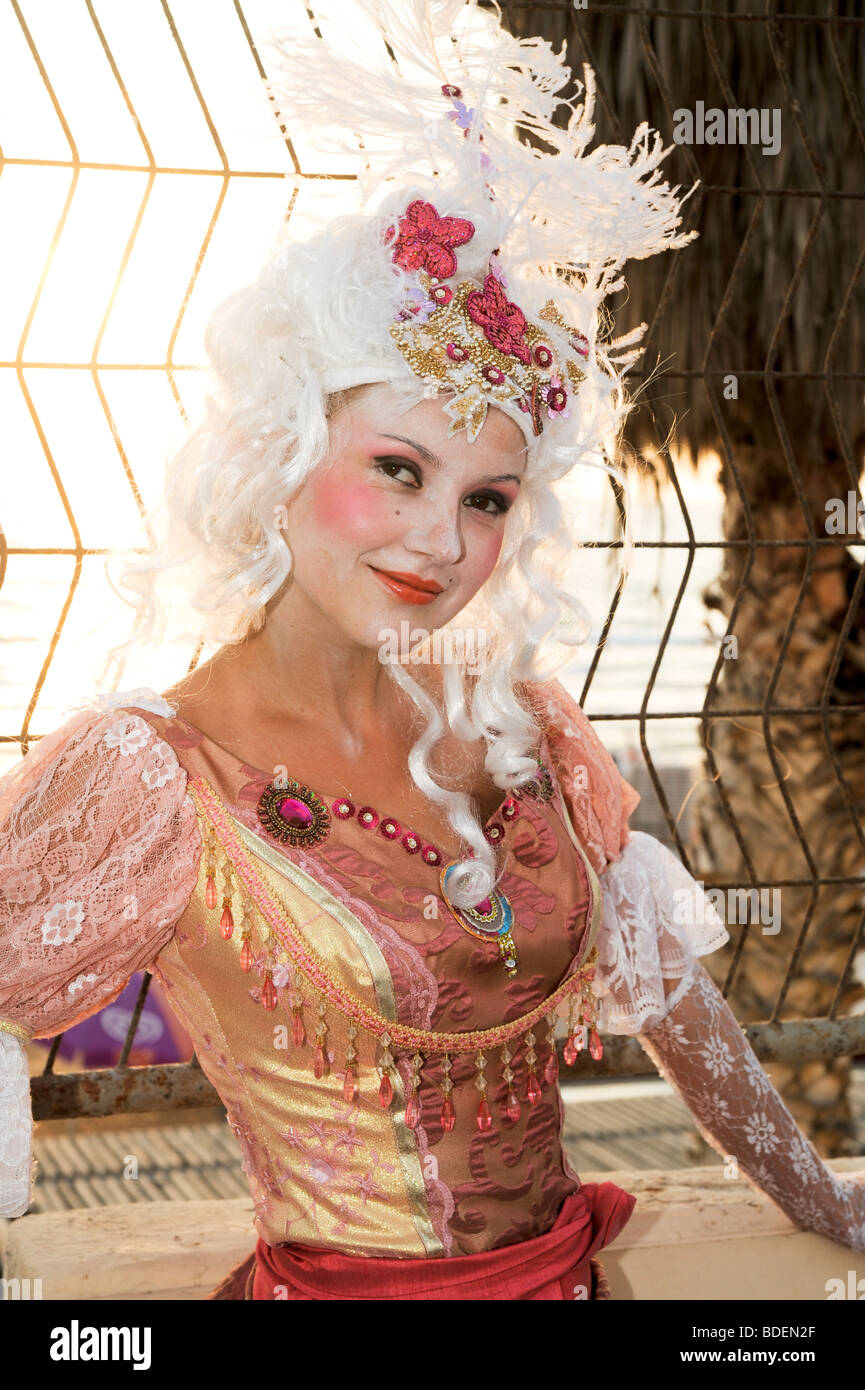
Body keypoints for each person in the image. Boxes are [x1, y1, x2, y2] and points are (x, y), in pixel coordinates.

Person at [1, 0, 863, 1301]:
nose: (437, 541)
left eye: (486, 498)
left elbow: (667, 988)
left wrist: (819, 1199)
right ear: (280, 462)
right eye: (395, 469)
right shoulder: (147, 774)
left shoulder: (525, 730)